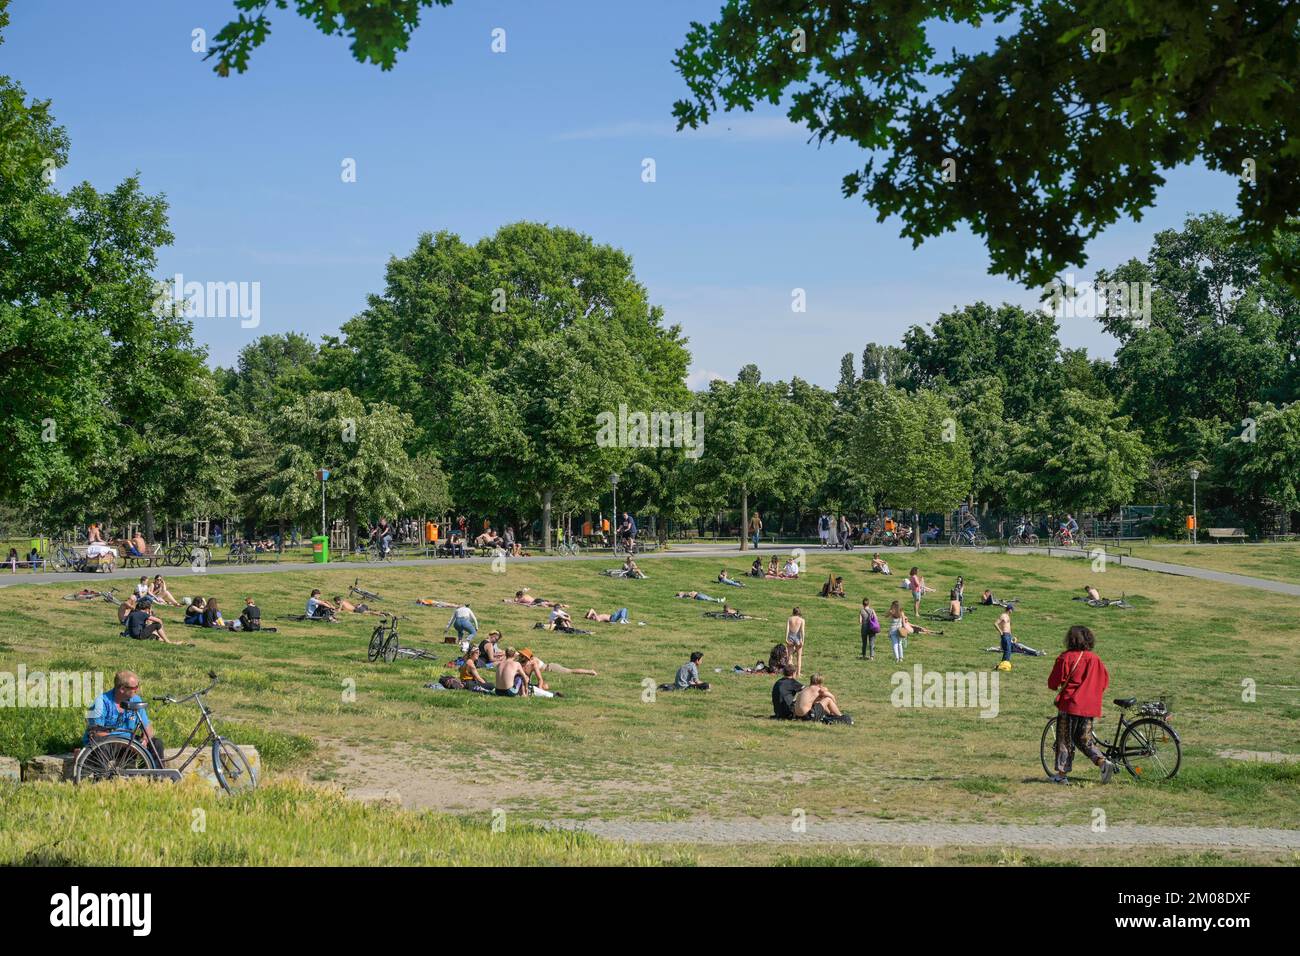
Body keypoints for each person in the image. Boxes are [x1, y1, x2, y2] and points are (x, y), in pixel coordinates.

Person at [1047, 625, 1116, 784]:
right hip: (1089, 706)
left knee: (1064, 740)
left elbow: (1053, 682)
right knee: (1084, 739)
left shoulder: (1066, 657)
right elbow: (1104, 682)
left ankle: (1062, 775)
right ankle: (1102, 762)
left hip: (1070, 705)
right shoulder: (1095, 659)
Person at [84, 670, 165, 762]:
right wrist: (127, 744)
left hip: (129, 743)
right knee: (102, 746)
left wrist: (145, 740)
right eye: (134, 687)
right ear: (122, 689)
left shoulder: (136, 699)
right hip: (108, 743)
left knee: (156, 743)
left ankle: (156, 775)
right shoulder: (100, 702)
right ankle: (102, 776)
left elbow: (147, 726)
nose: (137, 690)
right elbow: (96, 732)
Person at [785, 606, 806, 677]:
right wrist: (802, 640)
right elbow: (802, 631)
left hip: (790, 637)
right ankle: (798, 673)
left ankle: (790, 673)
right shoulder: (802, 620)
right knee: (799, 656)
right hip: (798, 638)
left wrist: (786, 638)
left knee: (790, 656)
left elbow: (787, 629)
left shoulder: (789, 619)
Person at [993, 603, 1016, 670]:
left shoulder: (1008, 616)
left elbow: (1009, 627)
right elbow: (995, 623)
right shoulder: (1003, 616)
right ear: (1009, 609)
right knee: (1007, 650)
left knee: (1008, 650)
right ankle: (1004, 665)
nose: (1012, 611)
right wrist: (1001, 632)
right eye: (1012, 609)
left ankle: (1003, 665)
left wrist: (1011, 637)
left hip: (1008, 635)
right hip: (1005, 635)